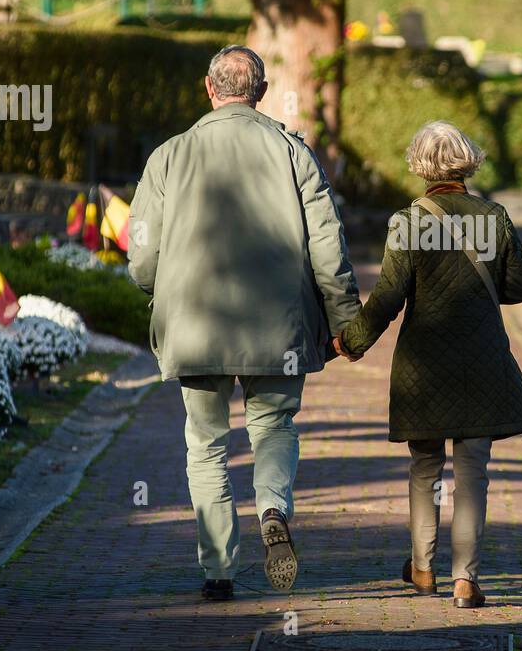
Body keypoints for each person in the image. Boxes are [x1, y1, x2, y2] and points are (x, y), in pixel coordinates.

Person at [129, 45, 360, 601]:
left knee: (206, 444)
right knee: (275, 427)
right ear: (259, 92)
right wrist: (346, 318)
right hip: (277, 326)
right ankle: (274, 508)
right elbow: (328, 246)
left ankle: (218, 569)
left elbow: (141, 257)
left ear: (209, 90)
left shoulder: (168, 156)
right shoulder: (293, 152)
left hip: (196, 322)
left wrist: (157, 292)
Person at [335, 121, 522, 609]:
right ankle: (465, 581)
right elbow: (519, 288)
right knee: (473, 473)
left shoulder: (409, 221)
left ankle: (422, 570)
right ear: (468, 161)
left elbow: (388, 297)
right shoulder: (494, 217)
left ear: (421, 165)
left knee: (425, 468)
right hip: (483, 362)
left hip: (422, 368)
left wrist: (352, 340)